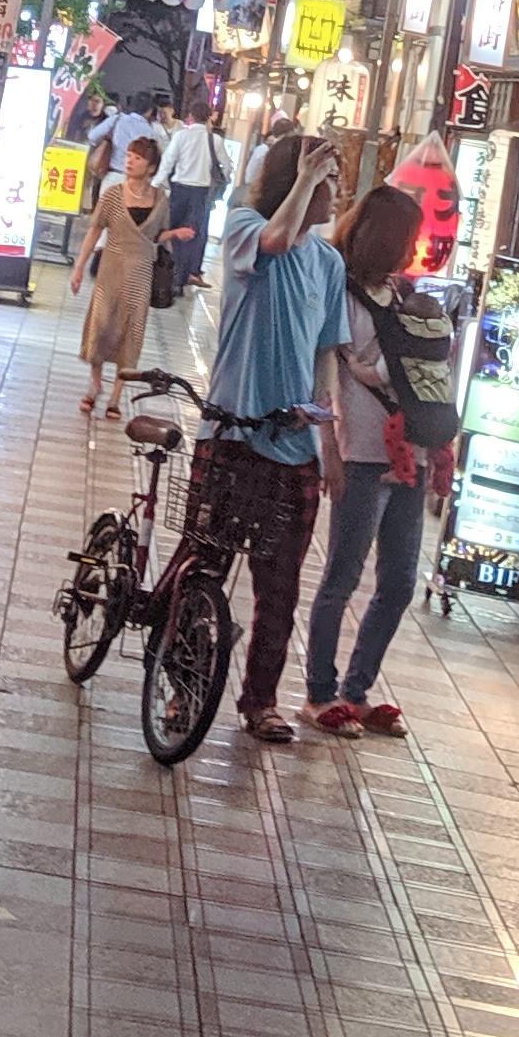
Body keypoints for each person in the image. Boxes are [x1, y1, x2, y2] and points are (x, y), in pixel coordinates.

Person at [187, 127, 344, 740]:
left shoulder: (328, 263)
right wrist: (305, 178)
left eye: (332, 181)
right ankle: (183, 691)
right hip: (232, 430)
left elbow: (326, 353)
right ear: (296, 178)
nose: (334, 192)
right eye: (326, 180)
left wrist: (327, 436)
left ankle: (260, 702)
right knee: (204, 568)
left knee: (280, 586)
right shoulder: (246, 224)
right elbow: (279, 238)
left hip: (292, 445)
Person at [305, 184, 455, 736]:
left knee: (399, 581)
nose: (412, 250)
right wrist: (329, 451)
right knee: (341, 576)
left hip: (409, 455)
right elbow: (325, 374)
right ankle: (320, 693)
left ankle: (358, 690)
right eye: (407, 238)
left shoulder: (406, 297)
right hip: (360, 452)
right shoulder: (339, 293)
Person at [72, 133, 167, 418]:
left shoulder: (161, 199)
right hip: (110, 268)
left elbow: (160, 235)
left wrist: (174, 235)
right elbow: (95, 228)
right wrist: (79, 265)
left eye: (137, 158)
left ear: (150, 166)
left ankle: (116, 396)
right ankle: (95, 384)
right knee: (100, 326)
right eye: (128, 156)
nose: (130, 161)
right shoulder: (113, 194)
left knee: (131, 332)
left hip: (141, 272)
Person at [156, 102, 225, 319]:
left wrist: (157, 185)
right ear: (209, 118)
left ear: (190, 117)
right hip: (200, 193)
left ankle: (166, 274)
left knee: (171, 233)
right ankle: (180, 279)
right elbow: (227, 167)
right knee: (190, 236)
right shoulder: (215, 140)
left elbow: (167, 162)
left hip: (178, 190)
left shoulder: (181, 136)